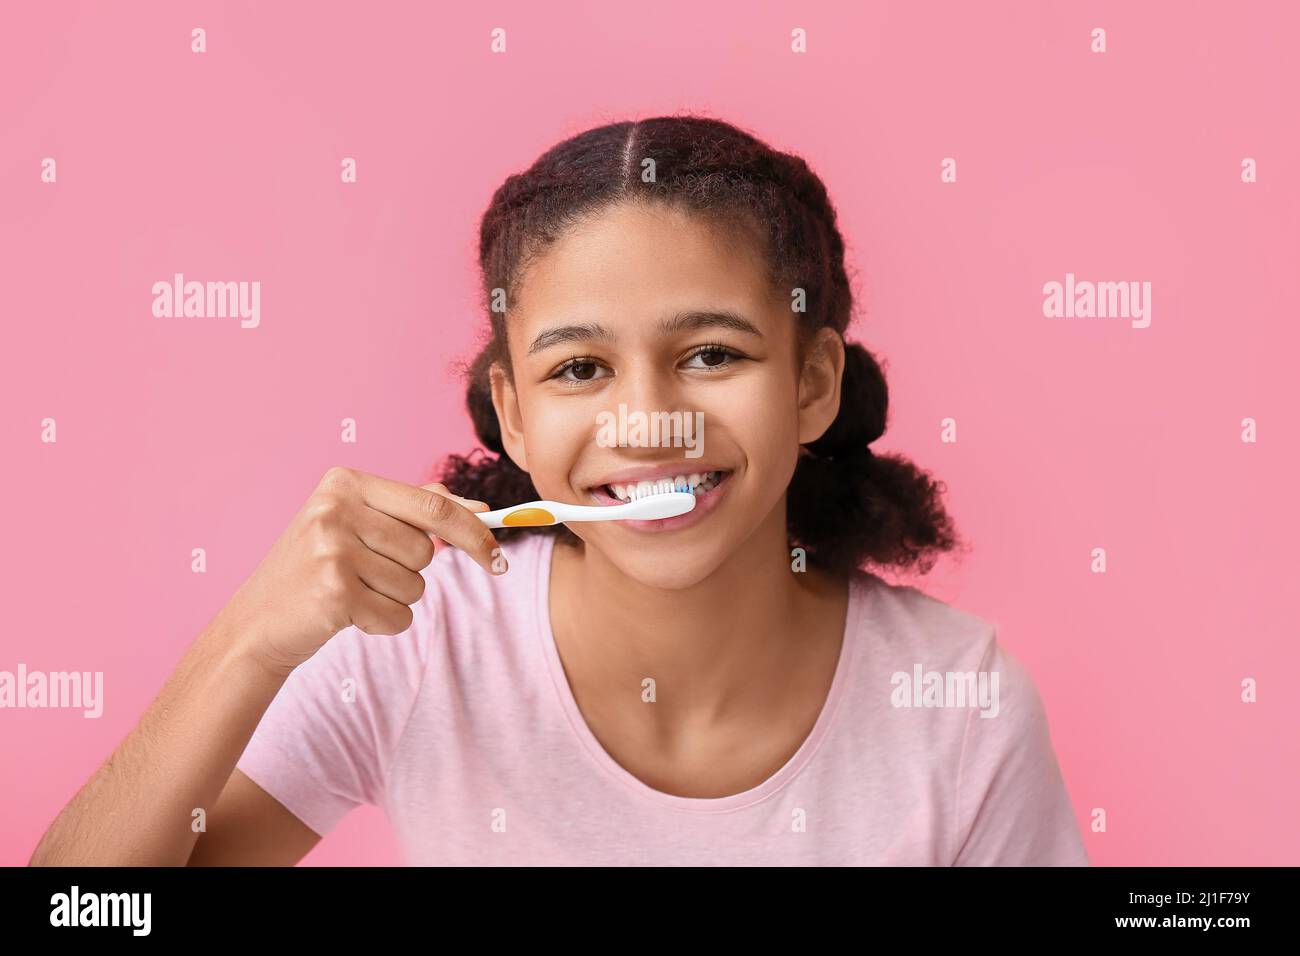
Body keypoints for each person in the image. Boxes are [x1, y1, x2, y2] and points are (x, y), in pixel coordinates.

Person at [30, 116, 1088, 866]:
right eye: (579, 369)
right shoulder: (418, 638)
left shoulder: (959, 705)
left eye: (712, 353)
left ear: (813, 382)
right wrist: (246, 642)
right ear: (515, 412)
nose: (645, 419)